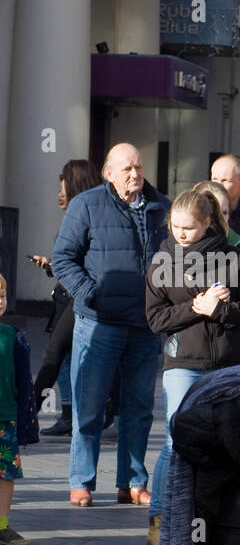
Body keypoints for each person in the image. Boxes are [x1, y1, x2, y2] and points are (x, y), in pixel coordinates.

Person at [144, 189, 240, 545]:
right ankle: (161, 517)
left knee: (226, 441)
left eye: (190, 228)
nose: (181, 234)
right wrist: (197, 308)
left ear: (208, 223)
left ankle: (220, 517)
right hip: (182, 363)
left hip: (227, 362)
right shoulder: (162, 261)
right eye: (176, 227)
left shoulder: (232, 257)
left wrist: (222, 311)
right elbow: (154, 318)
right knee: (175, 439)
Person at [51, 142, 170, 508]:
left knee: (137, 408)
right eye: (126, 169)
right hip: (98, 324)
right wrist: (91, 294)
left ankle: (132, 482)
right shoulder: (87, 204)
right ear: (108, 172)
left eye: (138, 167)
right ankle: (81, 481)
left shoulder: (161, 207)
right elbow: (63, 258)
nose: (134, 175)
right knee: (89, 406)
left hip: (146, 325)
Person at [32, 159, 102, 437]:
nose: (59, 194)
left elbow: (85, 260)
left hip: (81, 297)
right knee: (70, 355)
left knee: (56, 354)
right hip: (72, 297)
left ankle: (29, 415)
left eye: (63, 188)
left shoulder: (85, 213)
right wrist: (53, 266)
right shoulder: (82, 212)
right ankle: (72, 414)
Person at [0, 276, 37, 545]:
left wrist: (25, 418)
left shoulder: (12, 336)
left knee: (6, 475)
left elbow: (23, 381)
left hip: (5, 417)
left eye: (0, 296)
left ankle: (2, 525)